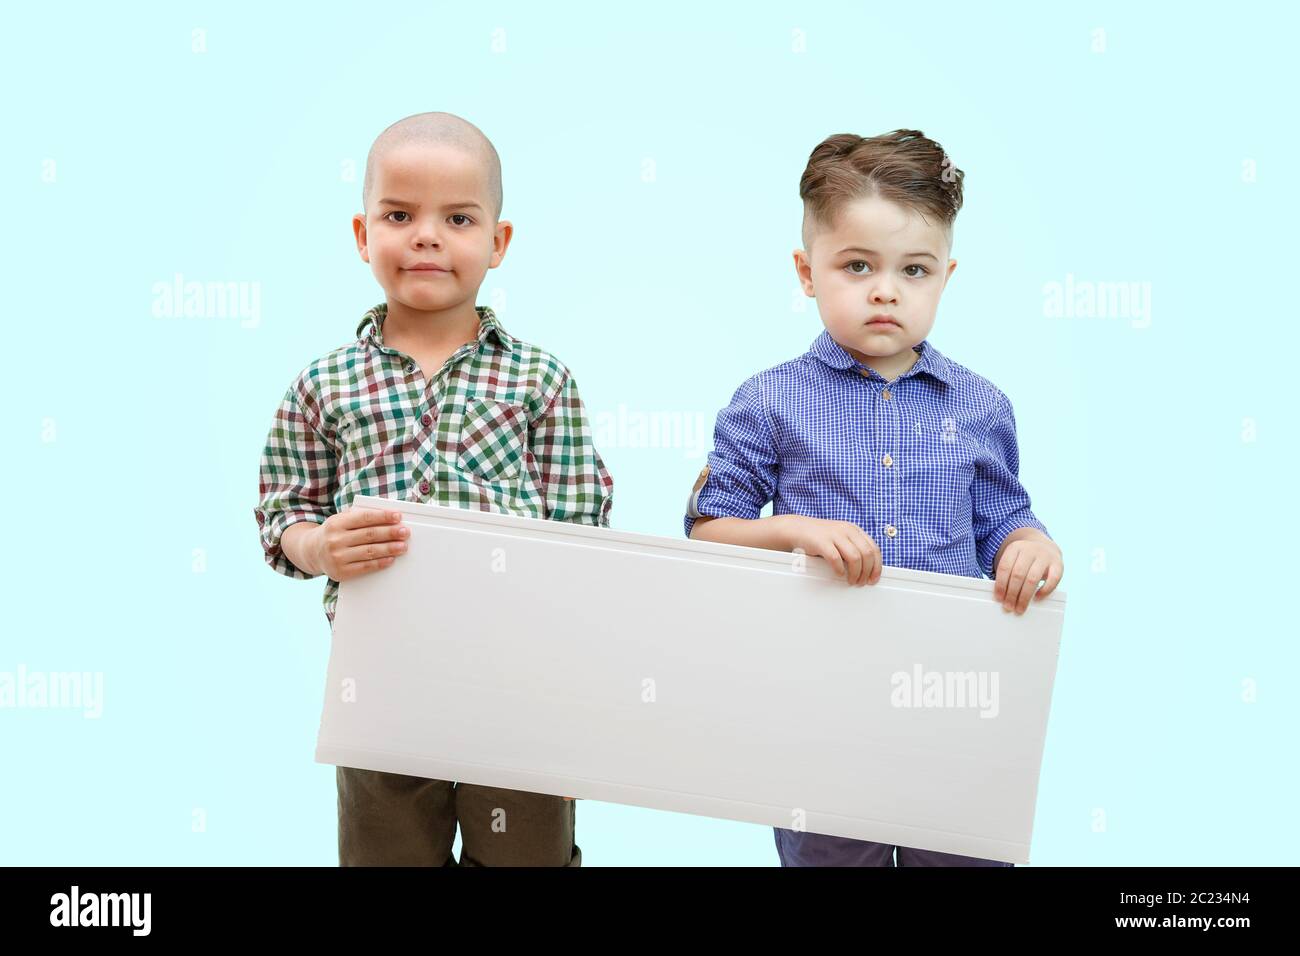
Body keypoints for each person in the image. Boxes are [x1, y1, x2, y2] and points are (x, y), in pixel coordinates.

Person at [684, 129, 1063, 867]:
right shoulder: (770, 402)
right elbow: (708, 532)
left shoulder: (982, 406)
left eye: (913, 270)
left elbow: (1004, 521)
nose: (885, 289)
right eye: (857, 265)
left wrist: (1030, 546)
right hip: (821, 706)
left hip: (955, 699)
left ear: (945, 277)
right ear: (807, 271)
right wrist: (794, 531)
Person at [254, 111, 613, 866]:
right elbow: (283, 513)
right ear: (362, 235)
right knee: (386, 853)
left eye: (457, 218)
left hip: (520, 676)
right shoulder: (325, 385)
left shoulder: (538, 380)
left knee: (529, 853)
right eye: (399, 215)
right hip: (379, 680)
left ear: (497, 242)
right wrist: (319, 543)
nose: (426, 236)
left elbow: (582, 529)